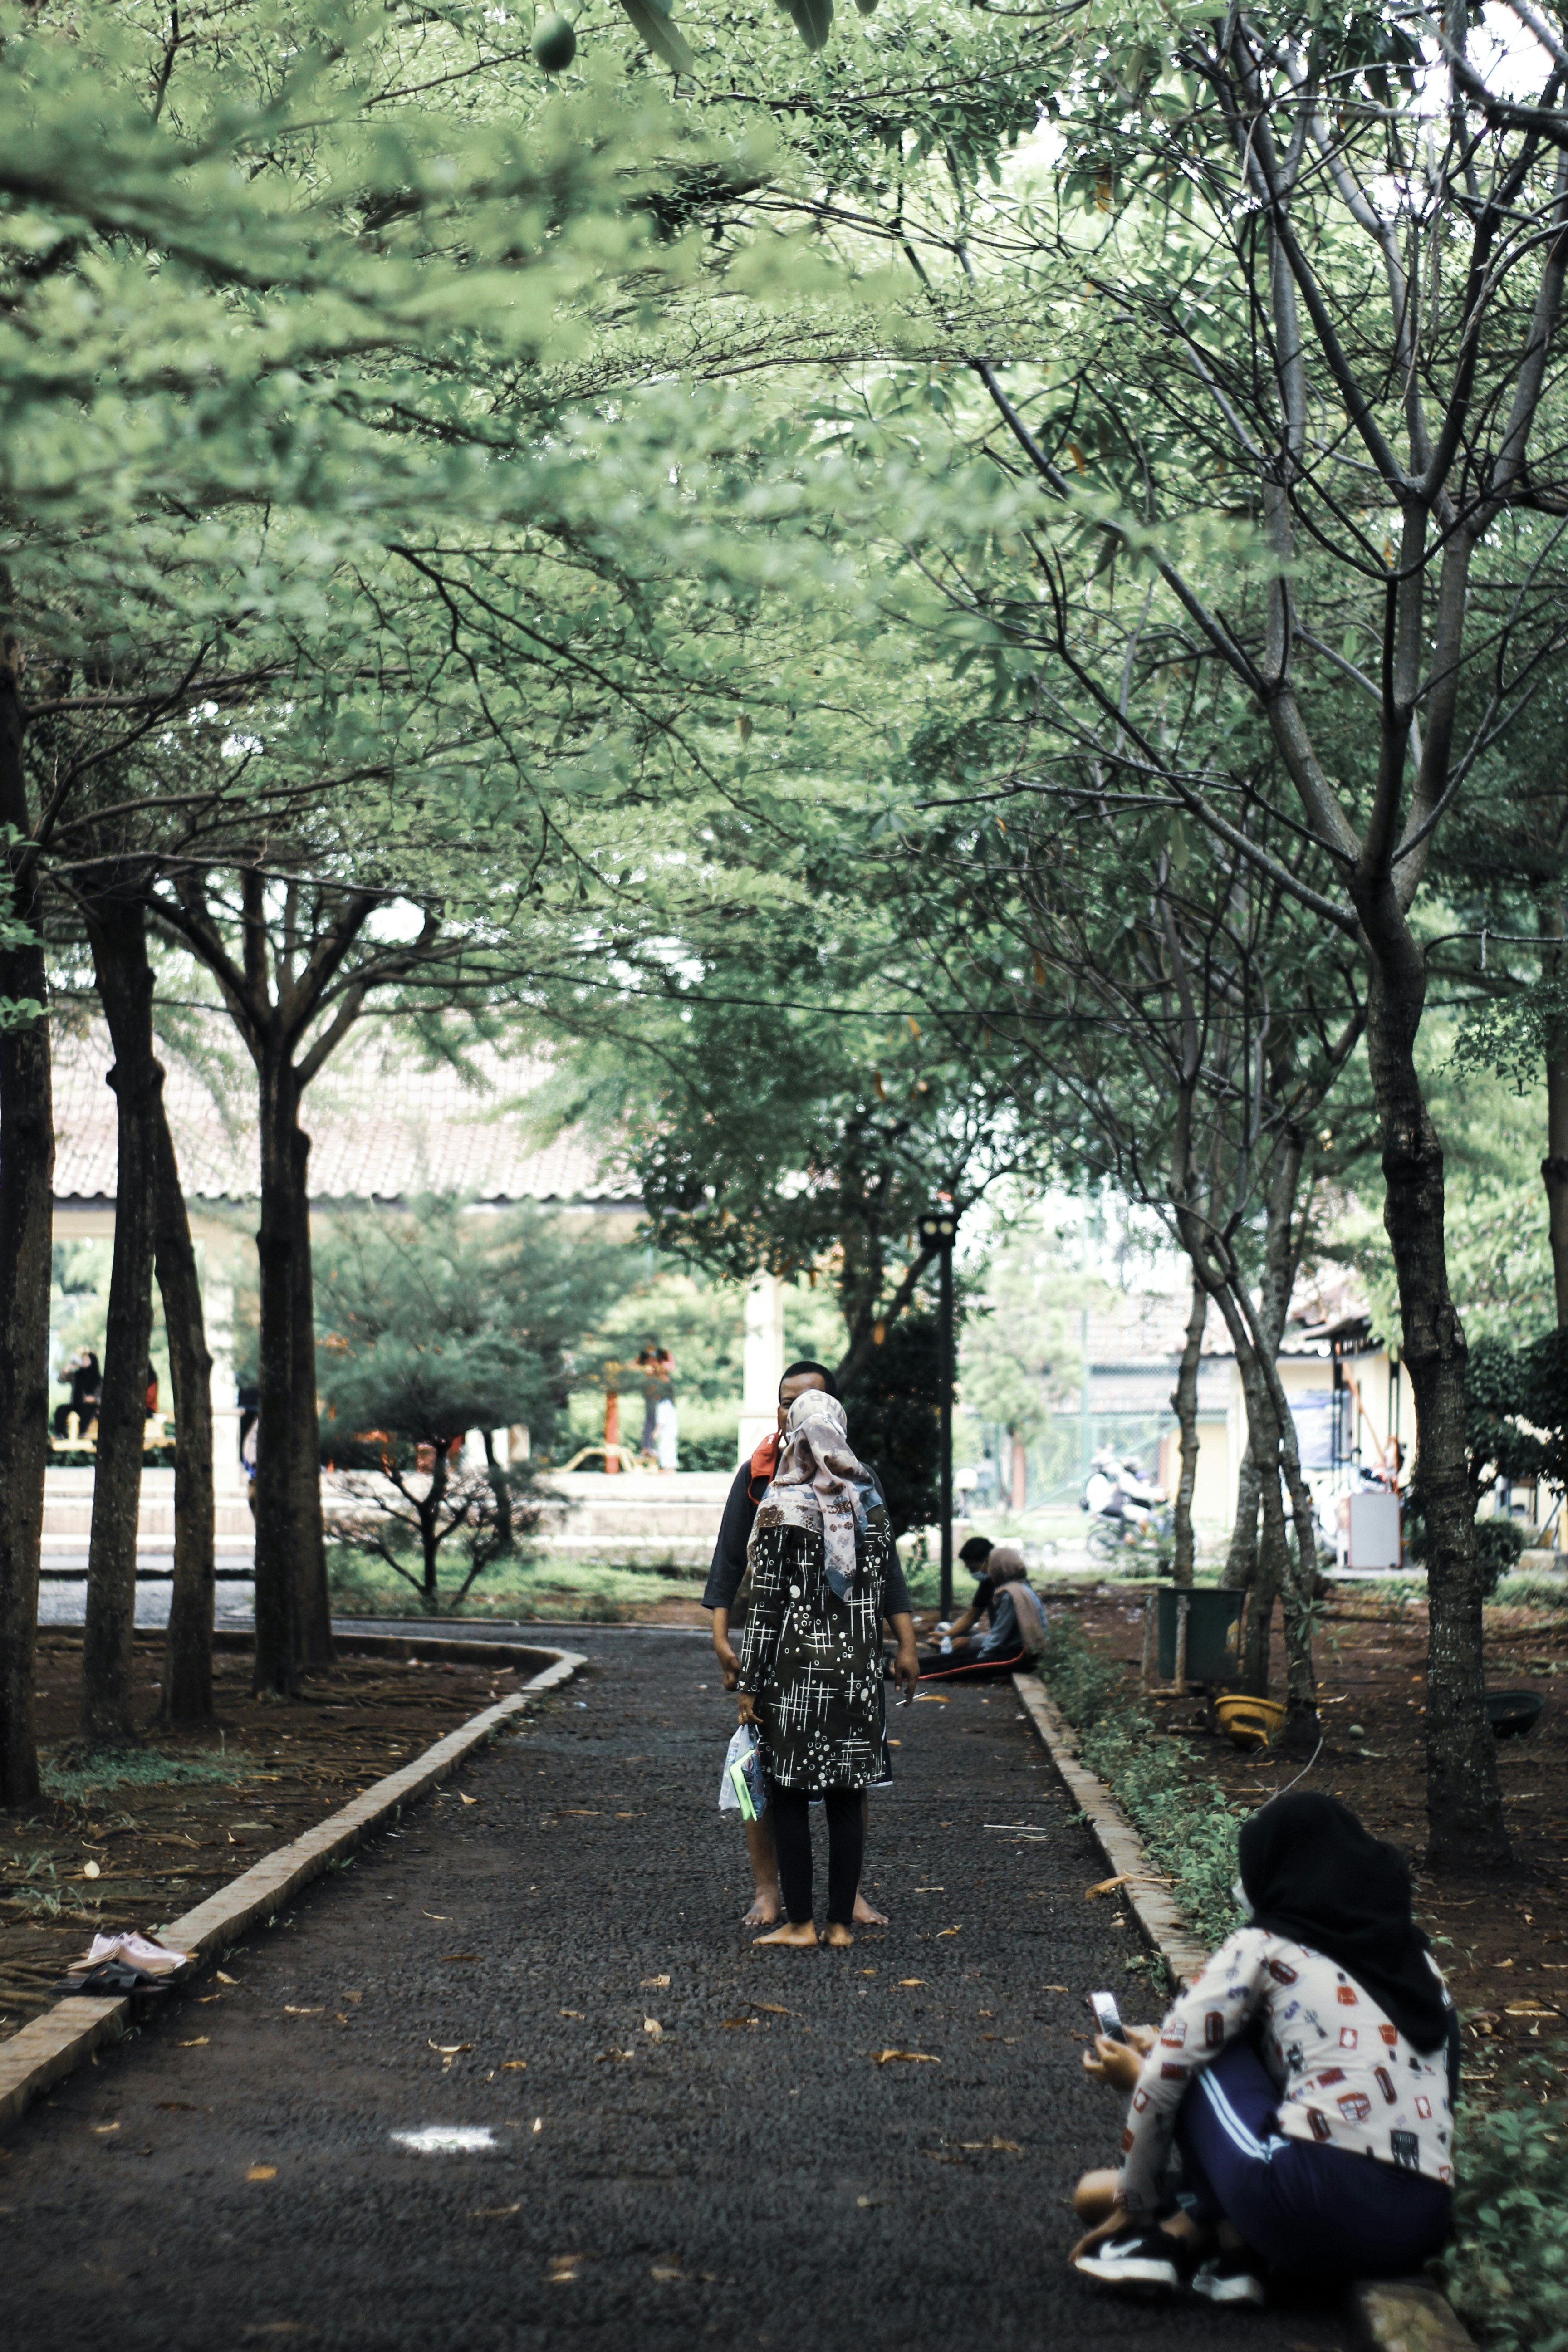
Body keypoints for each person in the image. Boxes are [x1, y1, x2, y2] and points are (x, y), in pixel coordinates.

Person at [1070, 1790, 1458, 2308]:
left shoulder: (1267, 1944)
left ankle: (1155, 2243)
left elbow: (1170, 2070)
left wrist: (1132, 2205)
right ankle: (1229, 2250)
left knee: (1202, 2052)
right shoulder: (1423, 1970)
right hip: (1420, 2227)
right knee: (1093, 2189)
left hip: (1309, 2202)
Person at [706, 1358, 918, 1928]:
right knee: (814, 1782)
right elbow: (729, 1565)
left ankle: (815, 1913)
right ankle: (783, 1895)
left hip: (787, 1667)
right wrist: (719, 1639)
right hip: (850, 1667)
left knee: (801, 1783)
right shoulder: (772, 1480)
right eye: (783, 1399)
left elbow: (770, 1601)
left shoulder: (804, 1496)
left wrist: (750, 1678)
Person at [915, 1546, 1047, 1683]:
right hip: (1012, 1650)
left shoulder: (1010, 1594)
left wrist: (981, 1659)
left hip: (1020, 1656)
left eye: (991, 1567)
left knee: (962, 1666)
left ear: (1000, 1569)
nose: (989, 1571)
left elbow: (999, 1635)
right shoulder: (1021, 1587)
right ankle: (906, 1666)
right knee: (956, 1658)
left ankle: (906, 1674)